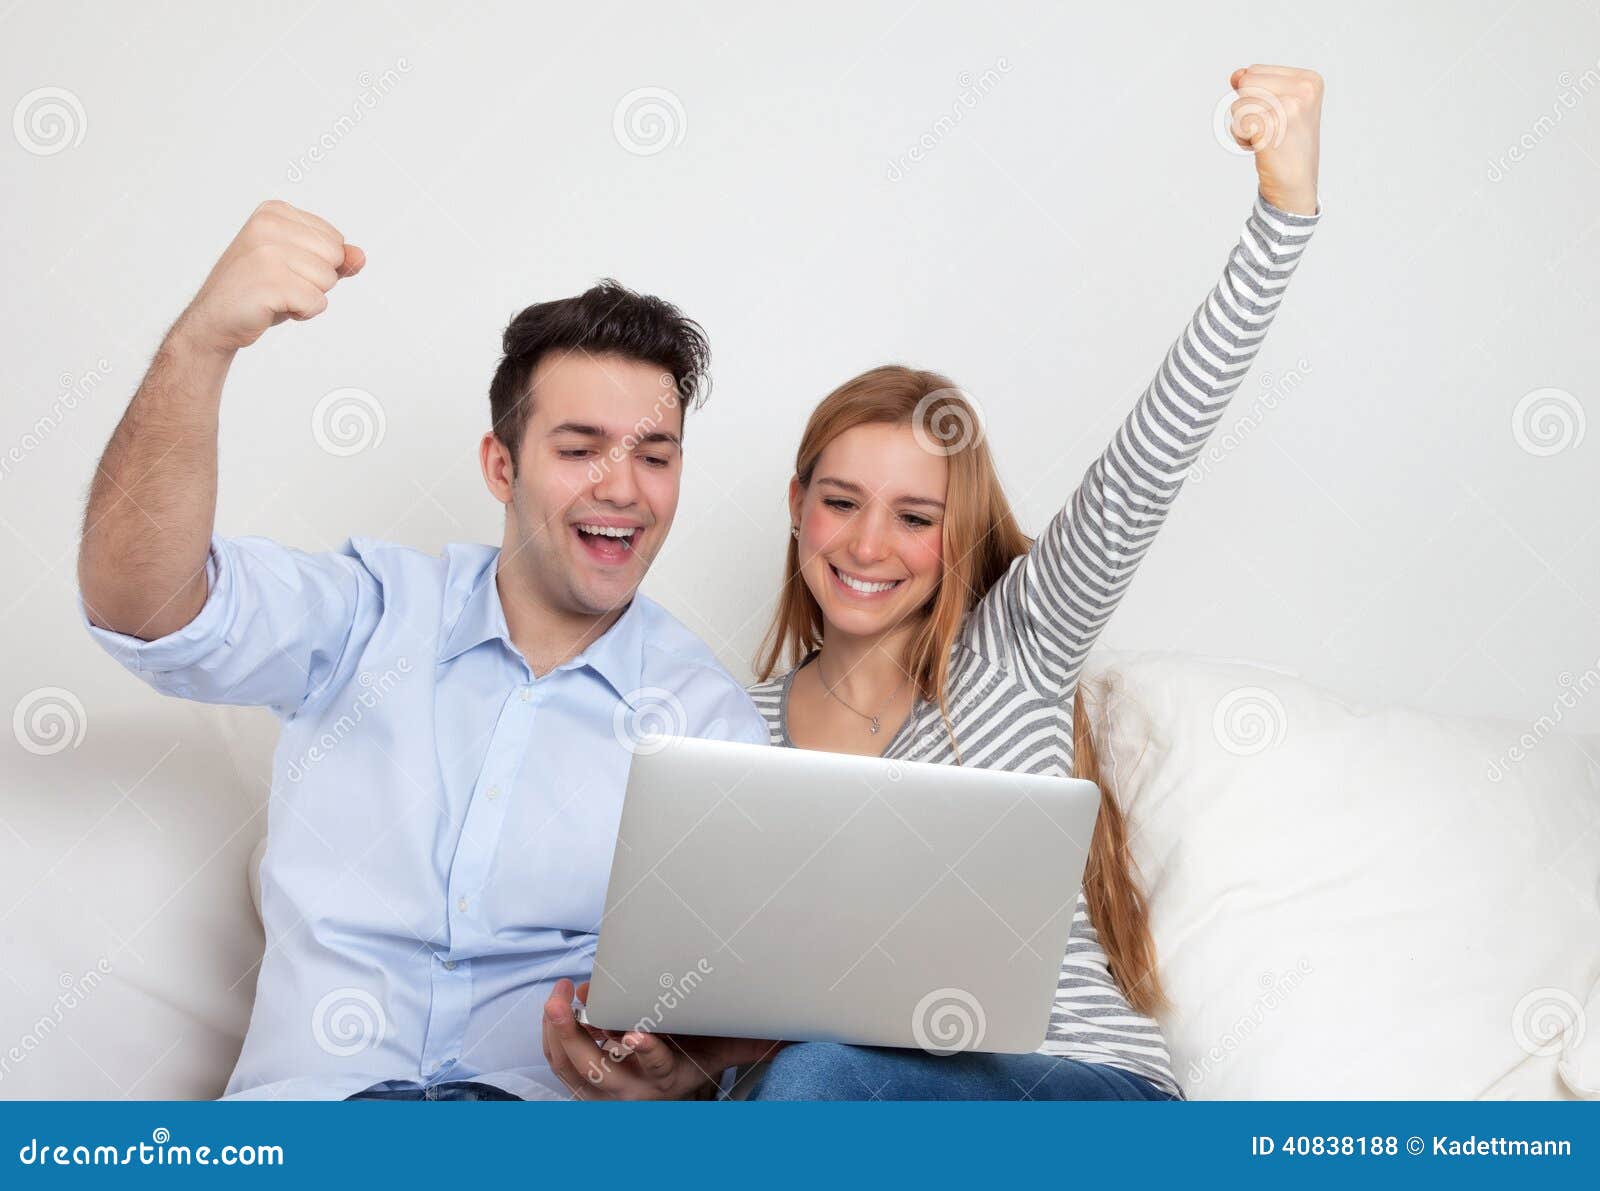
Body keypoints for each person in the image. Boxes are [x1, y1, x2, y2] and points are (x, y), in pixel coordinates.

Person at [539, 62, 1323, 1100]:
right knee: (797, 1083)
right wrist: (673, 1073)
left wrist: (1280, 214)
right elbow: (757, 1019)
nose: (869, 545)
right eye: (843, 502)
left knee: (816, 1083)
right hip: (850, 1102)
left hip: (1080, 1094)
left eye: (916, 518)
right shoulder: (735, 731)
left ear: (957, 540)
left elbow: (1154, 452)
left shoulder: (1019, 648)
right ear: (795, 505)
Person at [75, 204, 772, 1100]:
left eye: (656, 455)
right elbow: (143, 606)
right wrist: (201, 345)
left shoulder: (708, 723)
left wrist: (680, 1073)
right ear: (500, 465)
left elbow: (739, 1010)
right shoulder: (366, 614)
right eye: (580, 447)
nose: (623, 489)